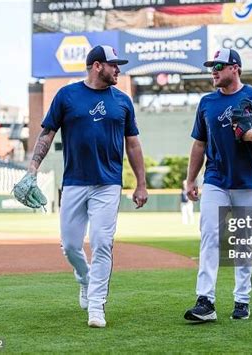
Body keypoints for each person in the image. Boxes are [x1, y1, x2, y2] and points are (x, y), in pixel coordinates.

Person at [24, 45, 148, 328]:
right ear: (97, 66)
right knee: (69, 245)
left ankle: (96, 306)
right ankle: (84, 278)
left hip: (108, 183)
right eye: (113, 64)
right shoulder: (67, 95)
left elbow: (133, 143)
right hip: (75, 182)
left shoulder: (123, 101)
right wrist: (33, 168)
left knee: (103, 243)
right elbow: (47, 134)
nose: (118, 69)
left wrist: (141, 183)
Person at [184, 48, 252, 322]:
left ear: (235, 68)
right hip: (215, 179)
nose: (213, 70)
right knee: (210, 238)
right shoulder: (206, 102)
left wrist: (251, 135)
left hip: (248, 182)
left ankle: (242, 300)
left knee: (244, 244)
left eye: (219, 65)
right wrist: (191, 179)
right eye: (211, 66)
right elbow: (199, 144)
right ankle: (205, 301)